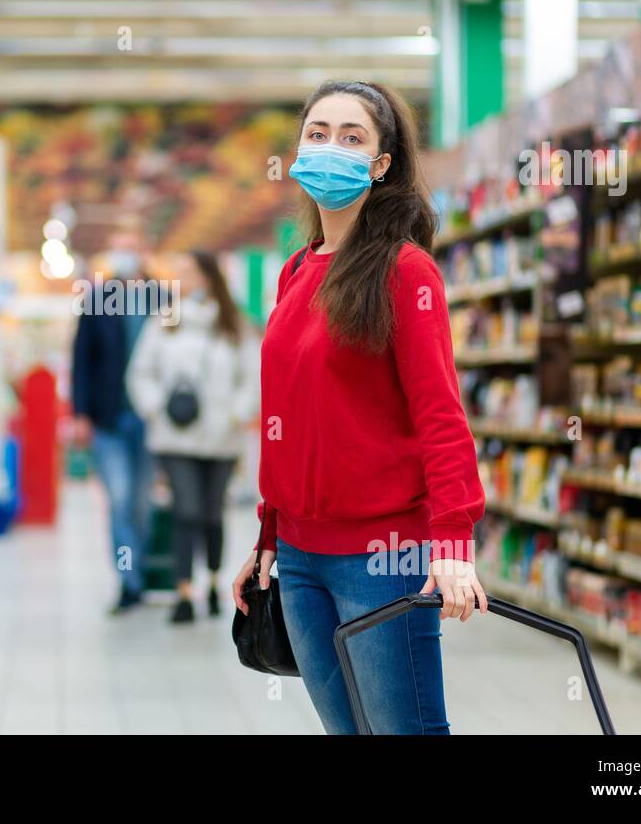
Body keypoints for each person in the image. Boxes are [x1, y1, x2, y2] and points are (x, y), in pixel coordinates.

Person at [232, 80, 487, 735]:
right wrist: (268, 533)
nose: (329, 147)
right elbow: (288, 420)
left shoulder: (405, 272)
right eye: (317, 133)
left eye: (352, 137)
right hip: (298, 556)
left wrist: (453, 539)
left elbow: (440, 415)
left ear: (380, 166)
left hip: (383, 556)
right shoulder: (294, 272)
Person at [126, 251, 259, 624]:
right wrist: (155, 408)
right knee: (186, 509)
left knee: (212, 513)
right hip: (175, 437)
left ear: (207, 277)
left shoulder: (234, 325)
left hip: (221, 437)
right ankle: (184, 592)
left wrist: (236, 413)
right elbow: (140, 373)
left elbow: (252, 376)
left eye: (186, 271)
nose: (180, 278)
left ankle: (215, 582)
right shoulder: (164, 322)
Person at [71, 228, 160, 614]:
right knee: (120, 498)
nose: (125, 255)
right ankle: (129, 581)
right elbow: (81, 359)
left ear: (144, 251)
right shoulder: (98, 299)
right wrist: (79, 414)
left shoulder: (163, 298)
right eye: (119, 248)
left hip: (152, 420)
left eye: (132, 247)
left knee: (141, 503)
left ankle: (138, 570)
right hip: (109, 419)